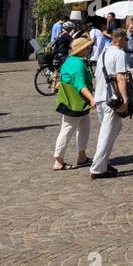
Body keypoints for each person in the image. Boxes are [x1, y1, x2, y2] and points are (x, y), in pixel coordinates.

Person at [90, 29, 131, 179]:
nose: (126, 42)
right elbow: (120, 77)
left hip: (101, 97)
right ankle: (97, 168)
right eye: (125, 39)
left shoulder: (104, 53)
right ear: (119, 39)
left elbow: (98, 75)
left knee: (110, 131)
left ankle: (104, 162)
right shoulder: (119, 54)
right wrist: (125, 99)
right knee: (106, 135)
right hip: (112, 100)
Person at [53, 36, 95, 170]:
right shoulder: (77, 63)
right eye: (88, 47)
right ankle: (58, 161)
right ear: (81, 49)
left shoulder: (72, 60)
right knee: (67, 130)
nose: (90, 49)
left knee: (84, 127)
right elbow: (80, 85)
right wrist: (92, 99)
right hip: (74, 103)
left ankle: (82, 156)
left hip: (78, 104)